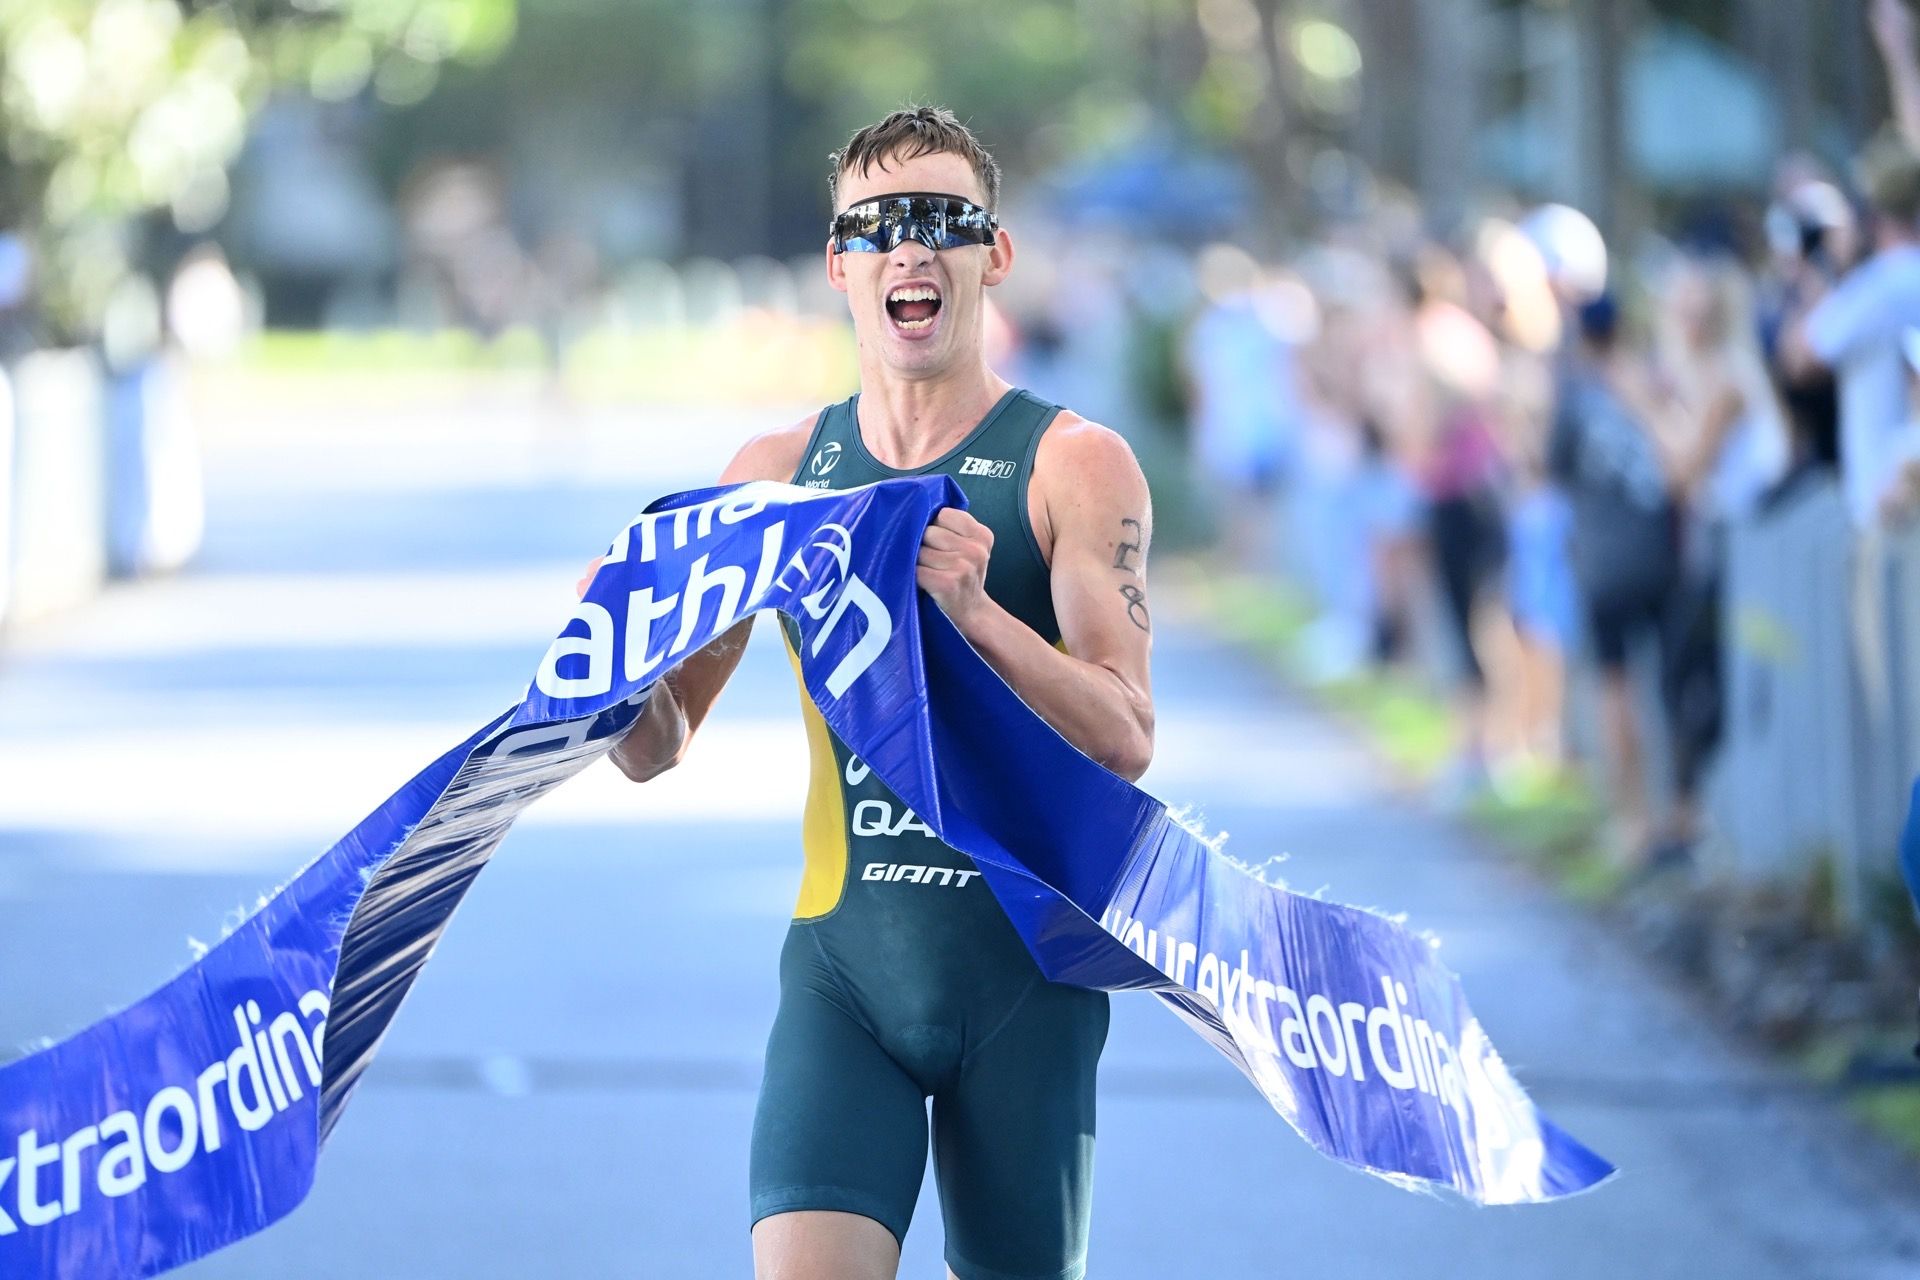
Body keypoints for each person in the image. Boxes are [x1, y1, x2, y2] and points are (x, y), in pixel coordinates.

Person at [603, 107, 1156, 1280]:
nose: (911, 247)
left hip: (1025, 977)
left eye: (942, 221)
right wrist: (608, 664)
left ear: (992, 254)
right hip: (848, 970)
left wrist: (978, 613)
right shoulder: (775, 476)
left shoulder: (1071, 461)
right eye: (879, 226)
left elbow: (1126, 734)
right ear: (839, 263)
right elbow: (657, 746)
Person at [1548, 294, 1681, 865]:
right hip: (1662, 552)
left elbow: (1553, 470)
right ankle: (1672, 817)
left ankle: (1631, 820)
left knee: (1615, 689)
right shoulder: (1657, 382)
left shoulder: (1576, 398)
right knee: (1669, 691)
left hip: (1603, 560)